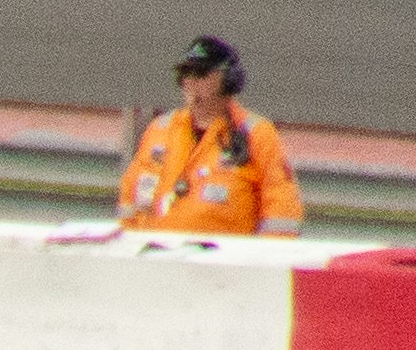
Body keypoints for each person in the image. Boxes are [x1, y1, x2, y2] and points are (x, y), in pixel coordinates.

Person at [120, 35, 303, 236]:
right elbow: (130, 199)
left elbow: (282, 207)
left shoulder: (256, 134)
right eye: (185, 74)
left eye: (200, 74)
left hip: (222, 262)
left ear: (228, 81)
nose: (190, 82)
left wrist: (263, 260)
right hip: (157, 257)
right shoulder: (161, 129)